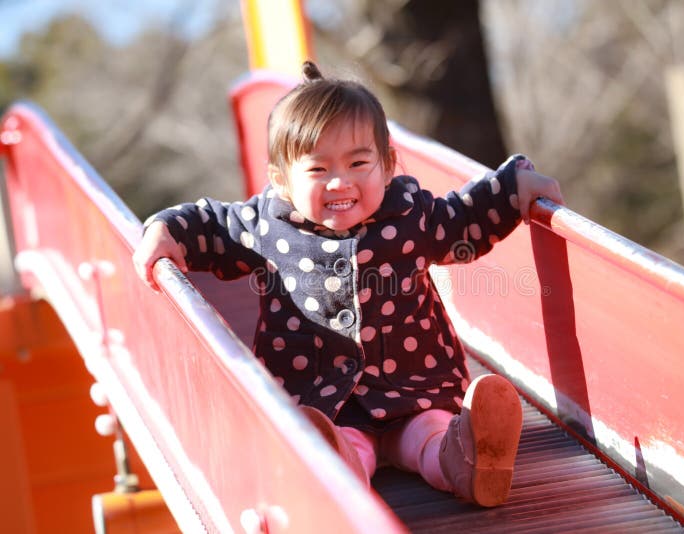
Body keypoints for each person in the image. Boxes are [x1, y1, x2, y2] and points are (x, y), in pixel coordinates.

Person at [132, 61, 564, 507]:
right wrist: (166, 229)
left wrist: (514, 188)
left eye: (359, 162)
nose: (341, 181)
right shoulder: (264, 226)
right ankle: (334, 468)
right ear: (281, 180)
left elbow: (467, 214)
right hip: (323, 397)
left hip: (413, 388)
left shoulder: (411, 214)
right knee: (342, 446)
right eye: (318, 170)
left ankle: (467, 461)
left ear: (388, 164)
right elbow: (209, 225)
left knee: (430, 434)